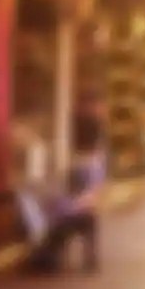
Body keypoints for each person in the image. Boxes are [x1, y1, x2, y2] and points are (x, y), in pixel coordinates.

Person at [39, 106, 107, 272]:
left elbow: (89, 194)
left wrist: (67, 207)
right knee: (72, 221)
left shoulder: (84, 162)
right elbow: (93, 193)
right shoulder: (94, 161)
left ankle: (50, 259)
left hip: (73, 211)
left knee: (59, 228)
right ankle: (85, 258)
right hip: (79, 210)